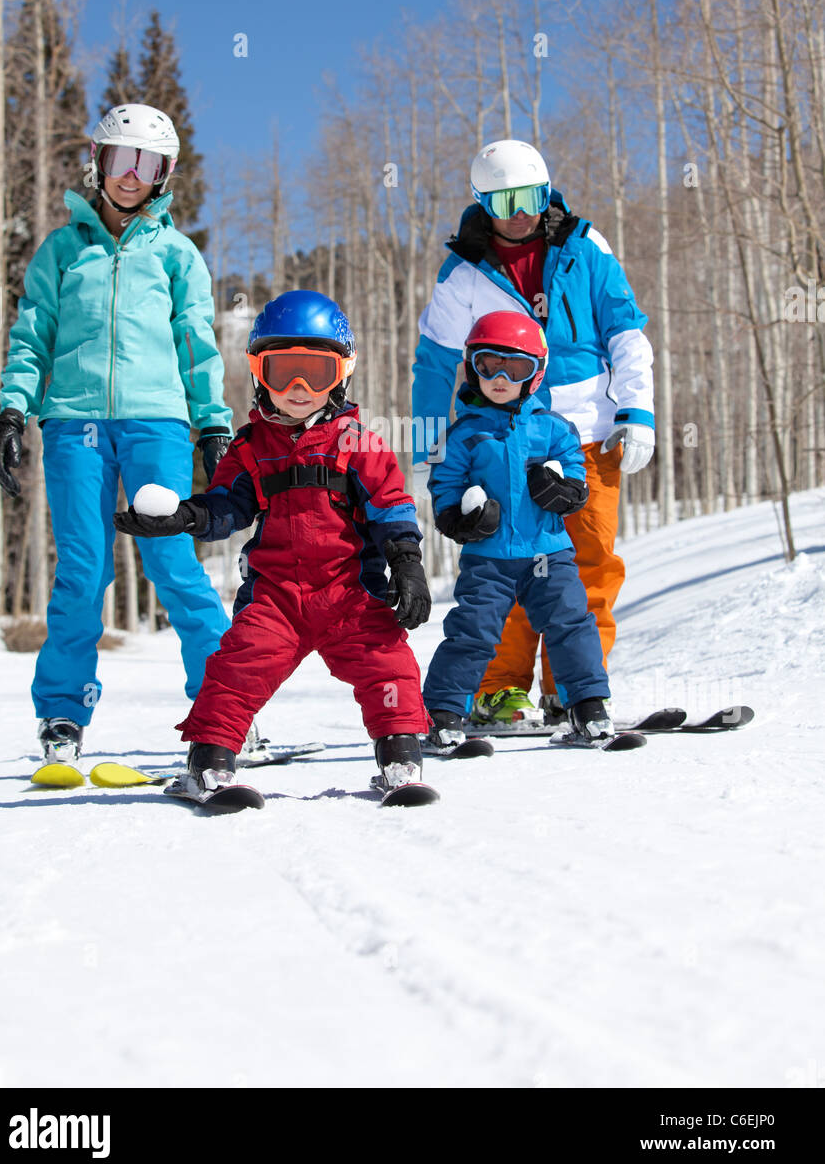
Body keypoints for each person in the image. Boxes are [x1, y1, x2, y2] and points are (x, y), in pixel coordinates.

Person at [113, 290, 433, 800]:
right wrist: (183, 517)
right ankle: (210, 763)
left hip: (350, 592)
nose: (300, 388)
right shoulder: (250, 446)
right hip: (277, 597)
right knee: (236, 668)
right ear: (261, 373)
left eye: (317, 371)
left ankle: (401, 757)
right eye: (285, 371)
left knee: (387, 661)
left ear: (343, 373)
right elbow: (225, 508)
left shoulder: (360, 443)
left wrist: (408, 566)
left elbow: (391, 508)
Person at [0, 103, 234, 767]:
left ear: (164, 174)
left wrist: (213, 422)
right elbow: (31, 337)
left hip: (157, 421)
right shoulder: (62, 251)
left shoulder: (177, 255)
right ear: (96, 163)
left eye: (147, 164)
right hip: (74, 423)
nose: (131, 175)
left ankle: (223, 708)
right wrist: (12, 410)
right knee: (83, 570)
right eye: (120, 159)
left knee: (173, 563)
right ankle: (63, 716)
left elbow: (197, 343)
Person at [412, 138, 654, 724]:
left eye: (528, 196)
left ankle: (574, 689)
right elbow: (435, 363)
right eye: (501, 200)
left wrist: (638, 410)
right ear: (480, 202)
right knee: (510, 563)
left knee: (589, 562)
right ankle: (500, 690)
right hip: (500, 442)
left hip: (589, 431)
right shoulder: (463, 273)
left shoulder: (584, 245)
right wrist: (426, 448)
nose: (517, 211)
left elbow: (624, 328)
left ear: (547, 192)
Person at [422, 311, 612, 746]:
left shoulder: (554, 428)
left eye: (517, 367)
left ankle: (588, 703)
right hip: (489, 557)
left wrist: (567, 492)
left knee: (570, 622)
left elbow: (576, 472)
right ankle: (445, 711)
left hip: (549, 553)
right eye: (489, 365)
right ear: (473, 366)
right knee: (474, 630)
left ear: (537, 373)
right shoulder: (465, 434)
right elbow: (445, 484)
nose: (502, 377)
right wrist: (457, 517)